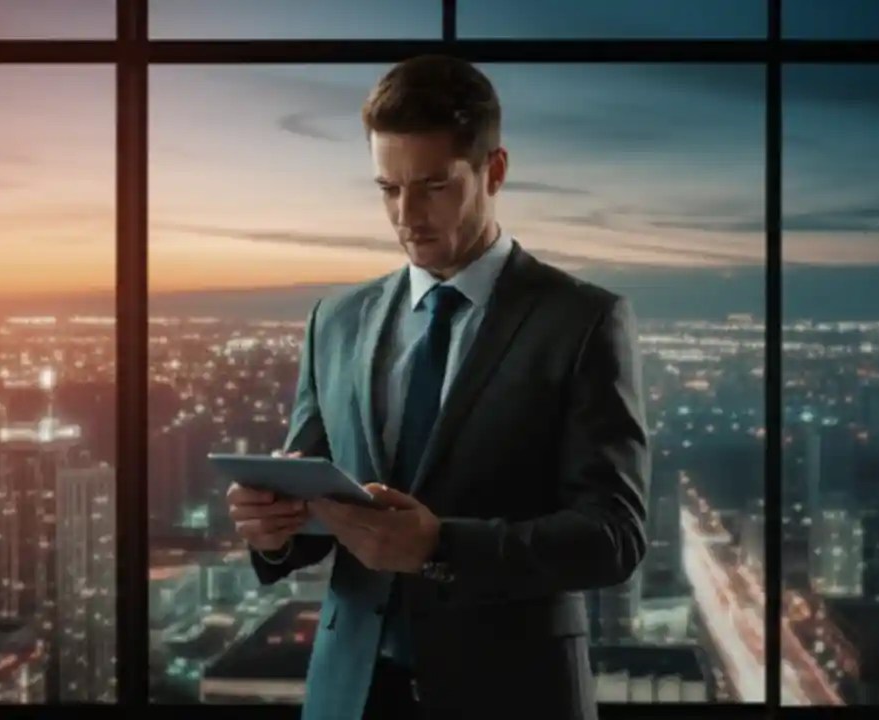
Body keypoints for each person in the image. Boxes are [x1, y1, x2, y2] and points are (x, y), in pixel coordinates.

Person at [226, 54, 649, 719]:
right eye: (388, 189)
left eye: (433, 186)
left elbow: (615, 534)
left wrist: (440, 545)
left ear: (495, 171)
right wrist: (272, 528)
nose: (407, 215)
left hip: (514, 693)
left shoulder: (582, 321)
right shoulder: (334, 321)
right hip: (350, 693)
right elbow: (314, 499)